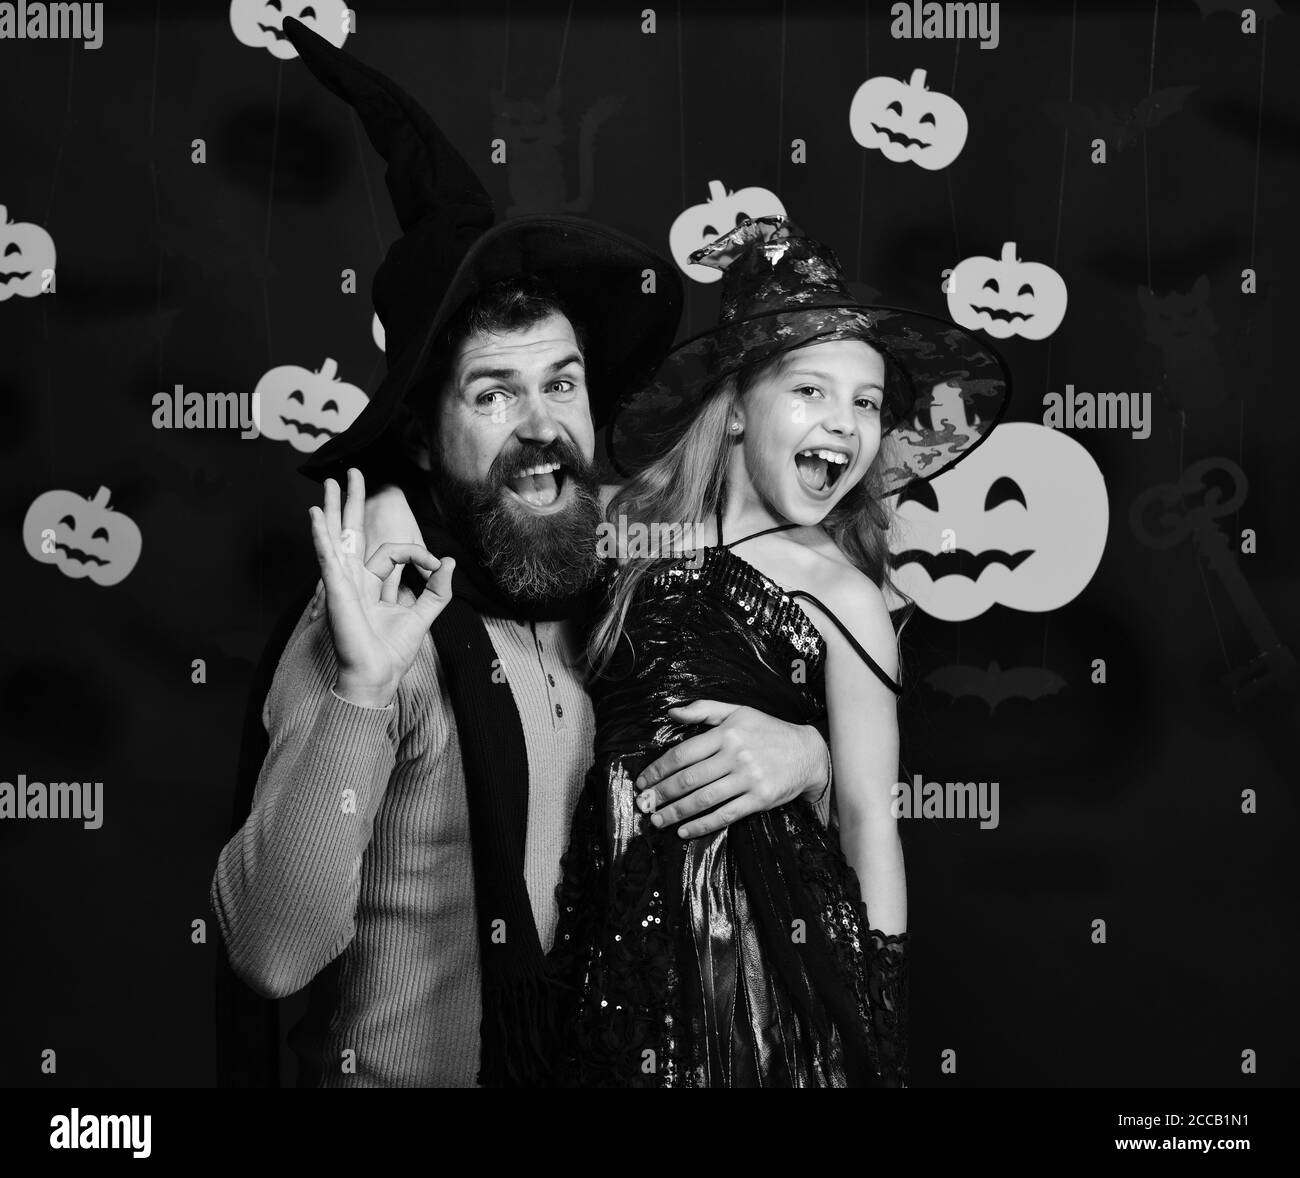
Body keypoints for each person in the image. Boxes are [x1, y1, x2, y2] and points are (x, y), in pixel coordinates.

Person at [211, 17, 835, 1089]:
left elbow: (749, 835)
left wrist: (805, 760)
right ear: (423, 433)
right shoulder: (377, 616)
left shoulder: (629, 606)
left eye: (560, 383)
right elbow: (272, 953)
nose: (540, 424)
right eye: (493, 393)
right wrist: (360, 693)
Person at [543, 215, 1012, 1087]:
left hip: (760, 960)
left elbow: (871, 819)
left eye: (866, 403)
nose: (844, 423)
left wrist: (876, 1014)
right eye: (810, 391)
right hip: (616, 939)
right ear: (732, 413)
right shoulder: (626, 534)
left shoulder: (844, 593)